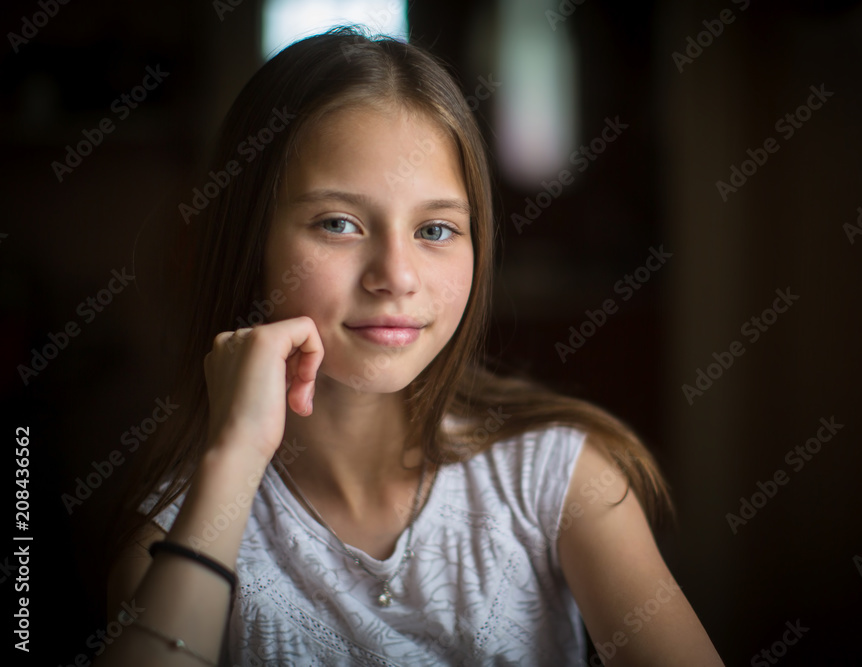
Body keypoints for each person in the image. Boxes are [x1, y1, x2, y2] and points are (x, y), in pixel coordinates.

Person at [98, 27, 724, 667]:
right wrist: (232, 458)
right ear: (249, 241)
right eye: (338, 223)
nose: (395, 276)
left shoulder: (559, 483)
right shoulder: (175, 537)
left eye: (435, 229)